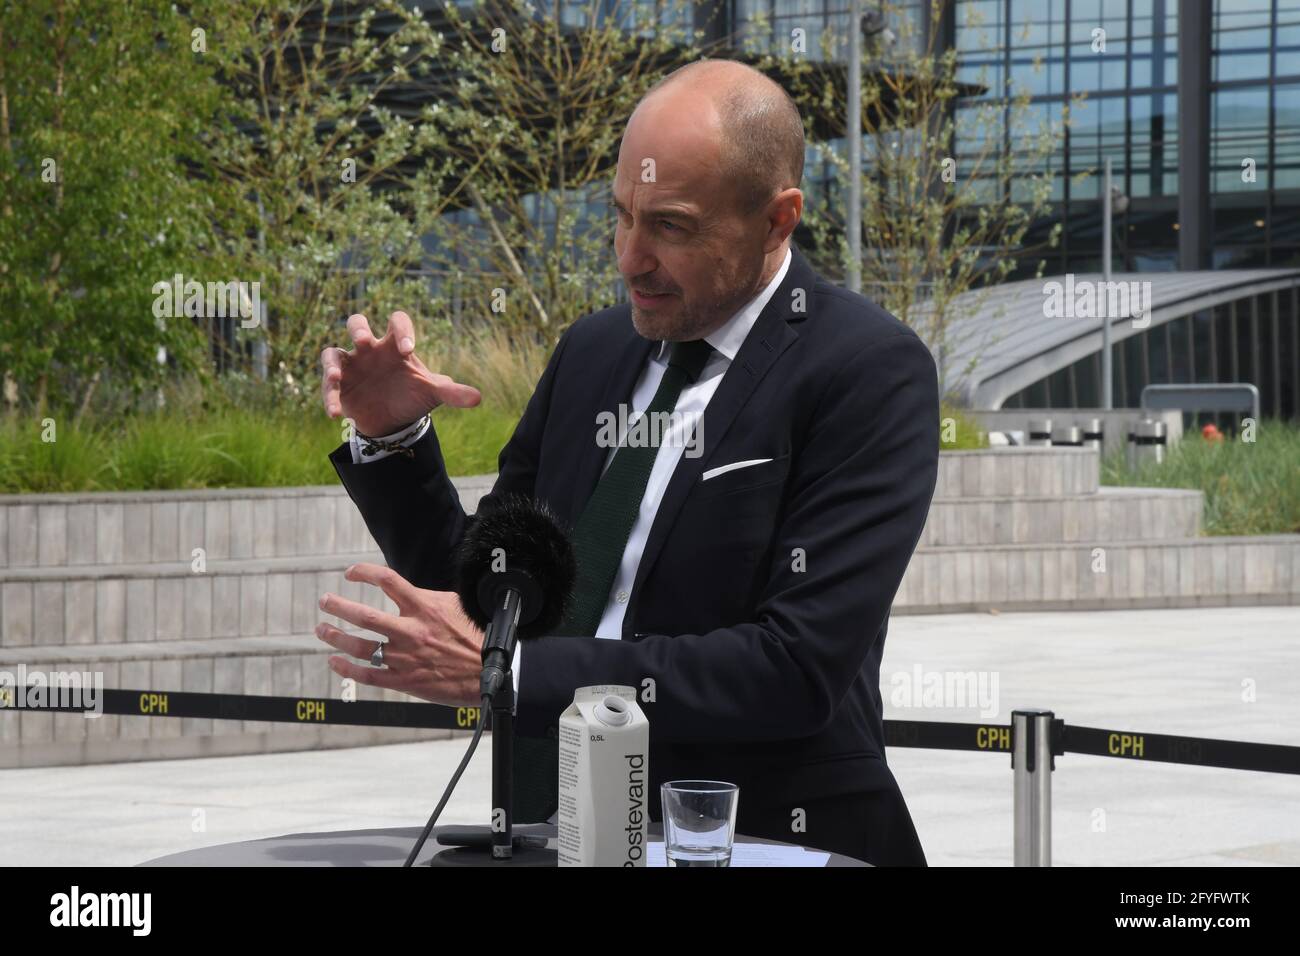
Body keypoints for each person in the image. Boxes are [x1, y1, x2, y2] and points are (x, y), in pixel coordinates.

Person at [316, 58, 937, 866]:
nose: (630, 256)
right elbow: (492, 594)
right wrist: (396, 439)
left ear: (778, 220)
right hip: (551, 833)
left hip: (770, 843)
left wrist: (523, 673)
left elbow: (793, 669)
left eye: (671, 226)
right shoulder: (591, 353)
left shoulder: (867, 370)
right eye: (621, 215)